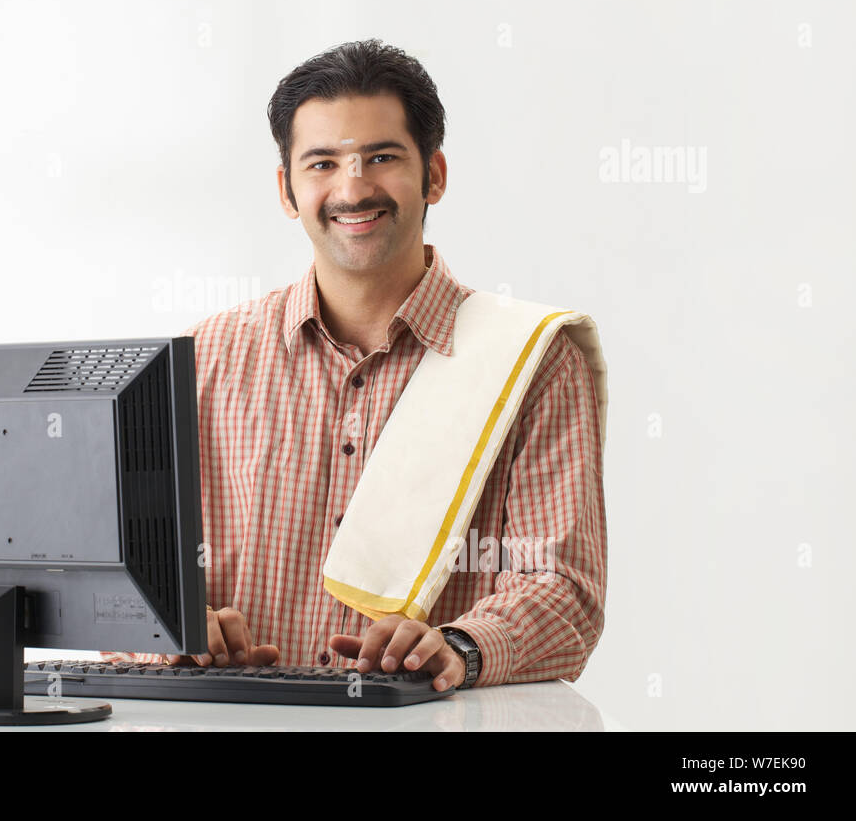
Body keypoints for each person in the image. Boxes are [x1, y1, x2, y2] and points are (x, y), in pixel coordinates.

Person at [109, 39, 606, 691]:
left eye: (381, 157)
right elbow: (120, 578)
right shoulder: (206, 359)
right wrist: (172, 636)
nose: (353, 186)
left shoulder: (534, 362)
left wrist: (461, 646)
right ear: (287, 190)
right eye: (323, 163)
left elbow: (564, 588)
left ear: (435, 176)